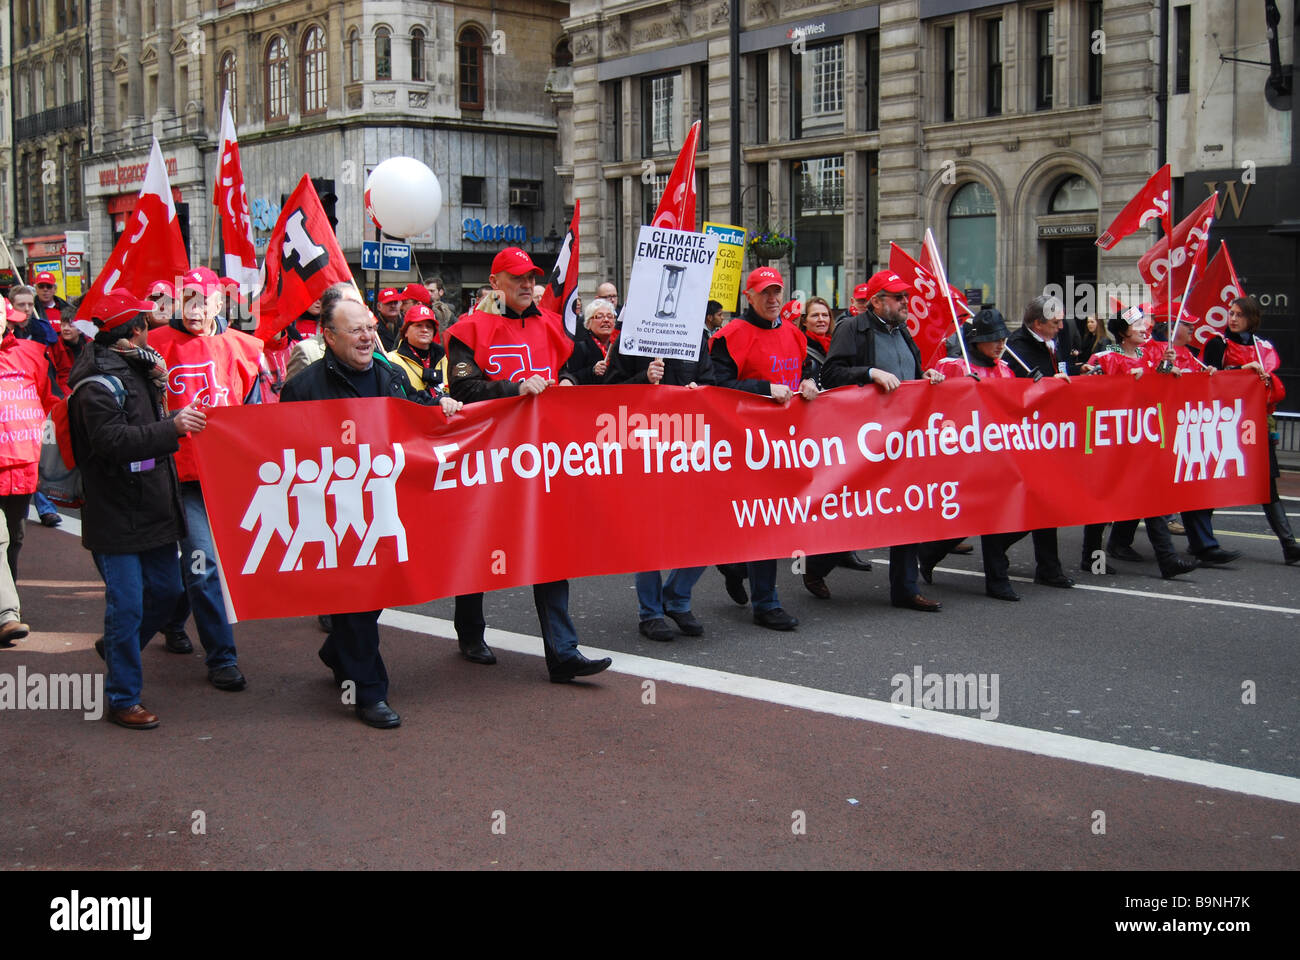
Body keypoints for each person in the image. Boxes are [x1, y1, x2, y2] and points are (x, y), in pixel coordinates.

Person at [280, 298, 457, 727]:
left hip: (384, 506)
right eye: (355, 330)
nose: (366, 337)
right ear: (329, 335)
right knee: (354, 599)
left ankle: (338, 651)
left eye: (370, 328)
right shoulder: (303, 388)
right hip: (333, 513)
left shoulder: (389, 376)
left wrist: (441, 407)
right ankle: (369, 692)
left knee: (377, 592)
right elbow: (282, 450)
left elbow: (418, 416)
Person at [446, 247, 611, 681]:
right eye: (516, 278)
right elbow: (462, 388)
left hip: (542, 458)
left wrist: (572, 383)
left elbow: (581, 369)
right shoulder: (469, 329)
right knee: (482, 544)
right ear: (495, 282)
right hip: (490, 458)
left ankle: (563, 653)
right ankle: (470, 630)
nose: (526, 285)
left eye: (531, 278)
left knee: (551, 547)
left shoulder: (553, 325)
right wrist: (513, 387)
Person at [67, 290, 207, 728]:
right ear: (133, 332)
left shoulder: (144, 368)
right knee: (126, 605)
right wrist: (173, 427)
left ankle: (115, 646)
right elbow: (111, 442)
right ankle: (124, 697)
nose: (152, 330)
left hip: (153, 504)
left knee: (166, 595)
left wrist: (168, 424)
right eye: (146, 323)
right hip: (115, 510)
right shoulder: (96, 385)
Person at [148, 267, 264, 692]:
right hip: (177, 476)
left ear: (221, 303)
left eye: (203, 300)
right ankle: (222, 657)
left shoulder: (246, 349)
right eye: (187, 299)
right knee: (203, 564)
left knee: (197, 564)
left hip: (226, 475)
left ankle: (171, 620)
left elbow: (256, 417)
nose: (195, 309)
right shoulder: (155, 347)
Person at [822, 269, 946, 612]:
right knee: (855, 514)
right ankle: (818, 565)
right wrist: (869, 373)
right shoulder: (852, 328)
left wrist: (926, 376)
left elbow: (909, 373)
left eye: (905, 296)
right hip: (866, 439)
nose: (906, 302)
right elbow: (830, 374)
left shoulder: (904, 330)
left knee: (907, 508)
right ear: (876, 302)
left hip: (903, 437)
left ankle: (906, 588)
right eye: (897, 297)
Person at [710, 266, 818, 629]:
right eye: (765, 293)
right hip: (745, 442)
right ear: (748, 296)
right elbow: (718, 385)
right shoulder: (731, 335)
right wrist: (763, 389)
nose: (773, 299)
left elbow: (804, 372)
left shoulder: (794, 334)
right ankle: (766, 604)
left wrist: (808, 383)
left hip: (786, 442)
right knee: (764, 521)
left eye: (777, 292)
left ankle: (734, 566)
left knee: (773, 520)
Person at [605, 303, 715, 641]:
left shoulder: (697, 335)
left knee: (706, 530)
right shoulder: (631, 335)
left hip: (689, 446)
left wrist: (701, 390)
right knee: (650, 532)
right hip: (645, 446)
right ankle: (650, 612)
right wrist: (643, 379)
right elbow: (608, 389)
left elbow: (711, 380)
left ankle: (677, 599)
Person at [1078, 313, 1200, 579]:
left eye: (1145, 325)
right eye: (1137, 325)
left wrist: (1169, 370)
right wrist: (1092, 372)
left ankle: (1167, 560)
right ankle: (1091, 556)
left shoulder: (1148, 356)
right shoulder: (1107, 354)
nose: (1145, 329)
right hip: (1112, 443)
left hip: (1140, 440)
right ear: (1123, 332)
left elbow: (1163, 379)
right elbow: (1090, 384)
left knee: (1151, 497)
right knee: (1103, 502)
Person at [1203, 295, 1299, 564]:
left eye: (1239, 314)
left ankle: (1289, 545)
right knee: (1213, 480)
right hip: (1222, 424)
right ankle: (1203, 542)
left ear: (1251, 319)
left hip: (1254, 426)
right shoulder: (1217, 344)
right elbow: (1208, 381)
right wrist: (1242, 370)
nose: (1233, 318)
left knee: (1267, 486)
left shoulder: (1263, 348)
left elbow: (1273, 390)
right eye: (1230, 313)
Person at [1000, 295, 1078, 589]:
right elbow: (1015, 391)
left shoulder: (1061, 336)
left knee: (1047, 502)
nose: (1061, 326)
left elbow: (1076, 360)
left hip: (1054, 432)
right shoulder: (1016, 348)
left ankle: (1048, 567)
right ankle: (997, 548)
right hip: (1027, 435)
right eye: (1055, 322)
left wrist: (1079, 369)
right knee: (1035, 503)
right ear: (1037, 323)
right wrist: (1048, 383)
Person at [797, 294, 872, 599]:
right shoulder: (801, 349)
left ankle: (841, 550)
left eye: (825, 315)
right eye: (814, 315)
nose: (821, 320)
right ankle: (806, 559)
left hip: (838, 429)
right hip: (809, 431)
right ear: (804, 321)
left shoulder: (836, 347)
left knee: (843, 493)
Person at [0, 296, 59, 584]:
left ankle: (7, 602)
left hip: (23, 464)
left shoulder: (32, 353)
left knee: (14, 537)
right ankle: (6, 610)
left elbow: (49, 400)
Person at [387, 304, 448, 396]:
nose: (425, 330)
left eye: (429, 326)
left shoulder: (445, 359)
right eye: (418, 325)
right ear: (406, 331)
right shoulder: (391, 359)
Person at [568, 299, 617, 384]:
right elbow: (572, 377)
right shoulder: (580, 347)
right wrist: (592, 371)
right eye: (599, 316)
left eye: (610, 316)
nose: (606, 320)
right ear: (588, 323)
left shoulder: (619, 347)